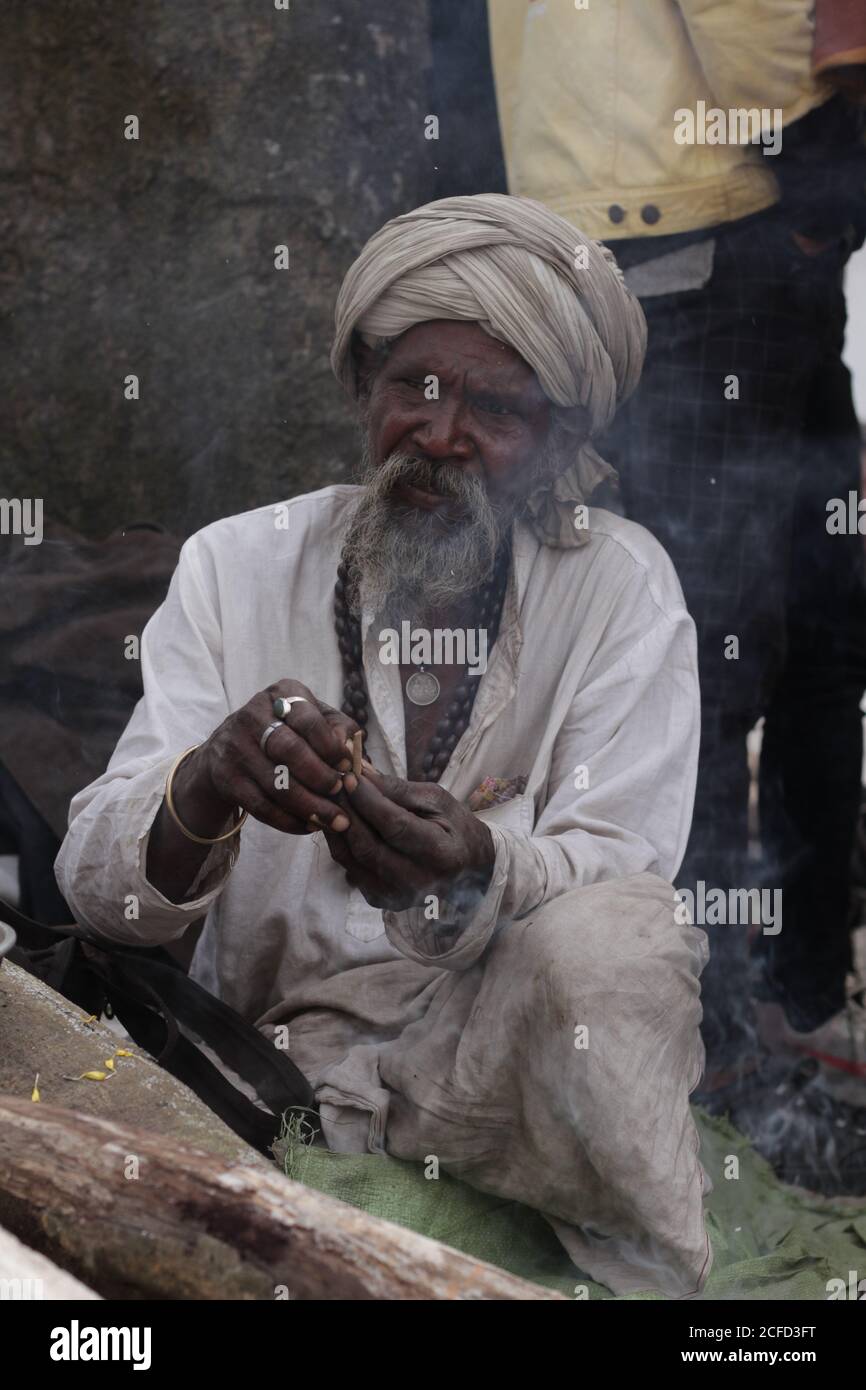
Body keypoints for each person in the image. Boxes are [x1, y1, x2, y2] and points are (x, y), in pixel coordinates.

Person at [56, 193, 711, 1297]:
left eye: (495, 410)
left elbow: (627, 863)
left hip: (502, 1069)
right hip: (279, 1057)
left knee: (619, 942)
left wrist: (483, 866)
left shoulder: (618, 586)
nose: (441, 436)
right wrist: (209, 781)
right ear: (365, 387)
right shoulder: (236, 565)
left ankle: (657, 1283)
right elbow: (102, 900)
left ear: (558, 441)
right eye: (417, 386)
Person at [487, 0, 866, 1096]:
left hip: (661, 218)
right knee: (726, 651)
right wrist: (826, 174)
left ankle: (768, 1002)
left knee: (781, 636)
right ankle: (709, 1026)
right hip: (711, 223)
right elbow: (745, 18)